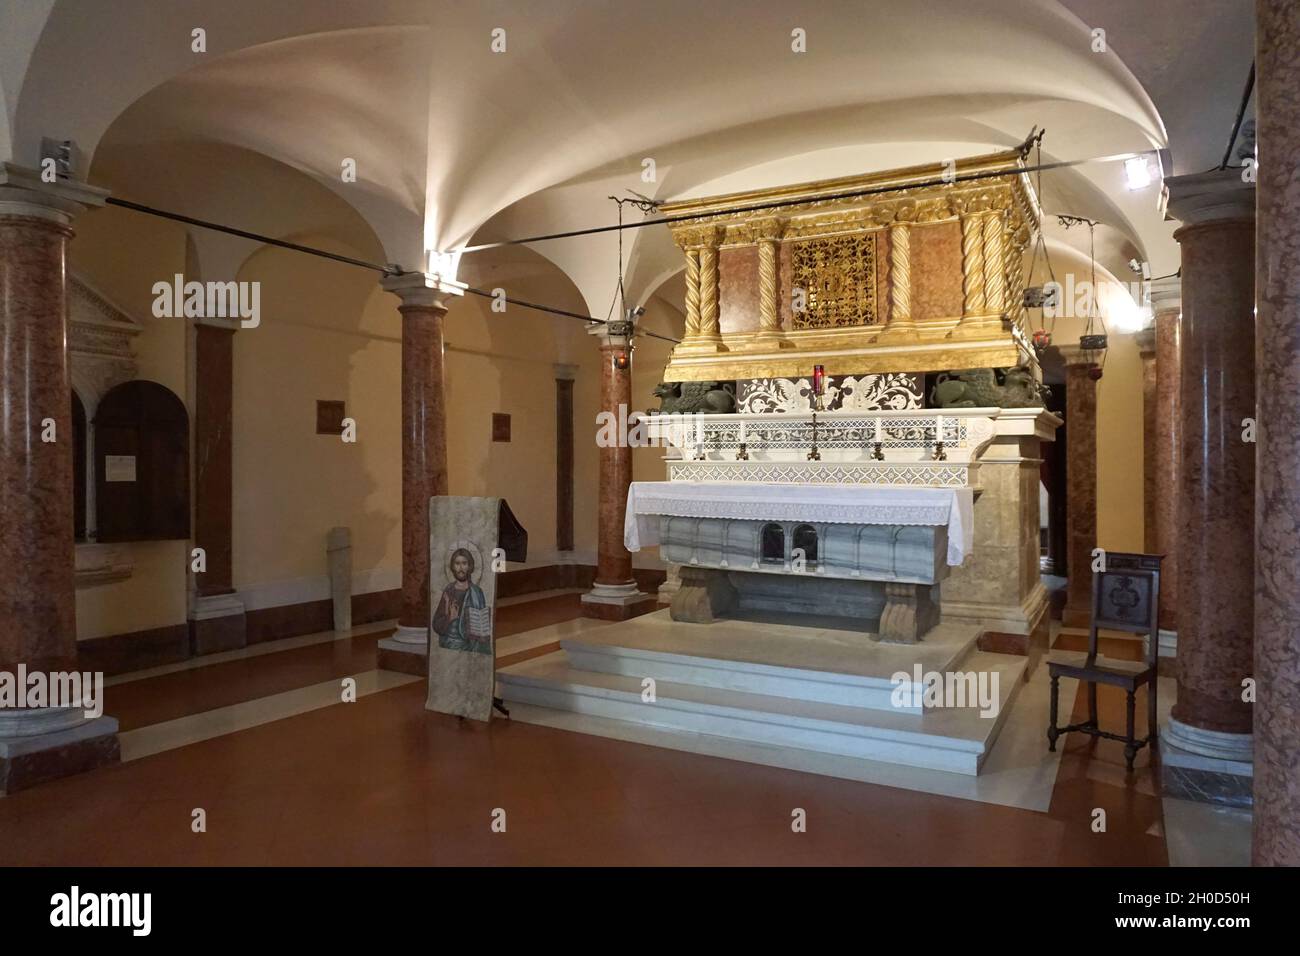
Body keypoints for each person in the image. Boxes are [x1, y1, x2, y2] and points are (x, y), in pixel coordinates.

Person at [431, 547, 491, 654]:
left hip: (469, 645)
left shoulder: (477, 592)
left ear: (470, 566)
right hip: (448, 643)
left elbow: (483, 627)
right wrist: (449, 618)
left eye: (464, 563)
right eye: (457, 563)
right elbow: (436, 624)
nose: (461, 568)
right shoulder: (448, 591)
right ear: (453, 567)